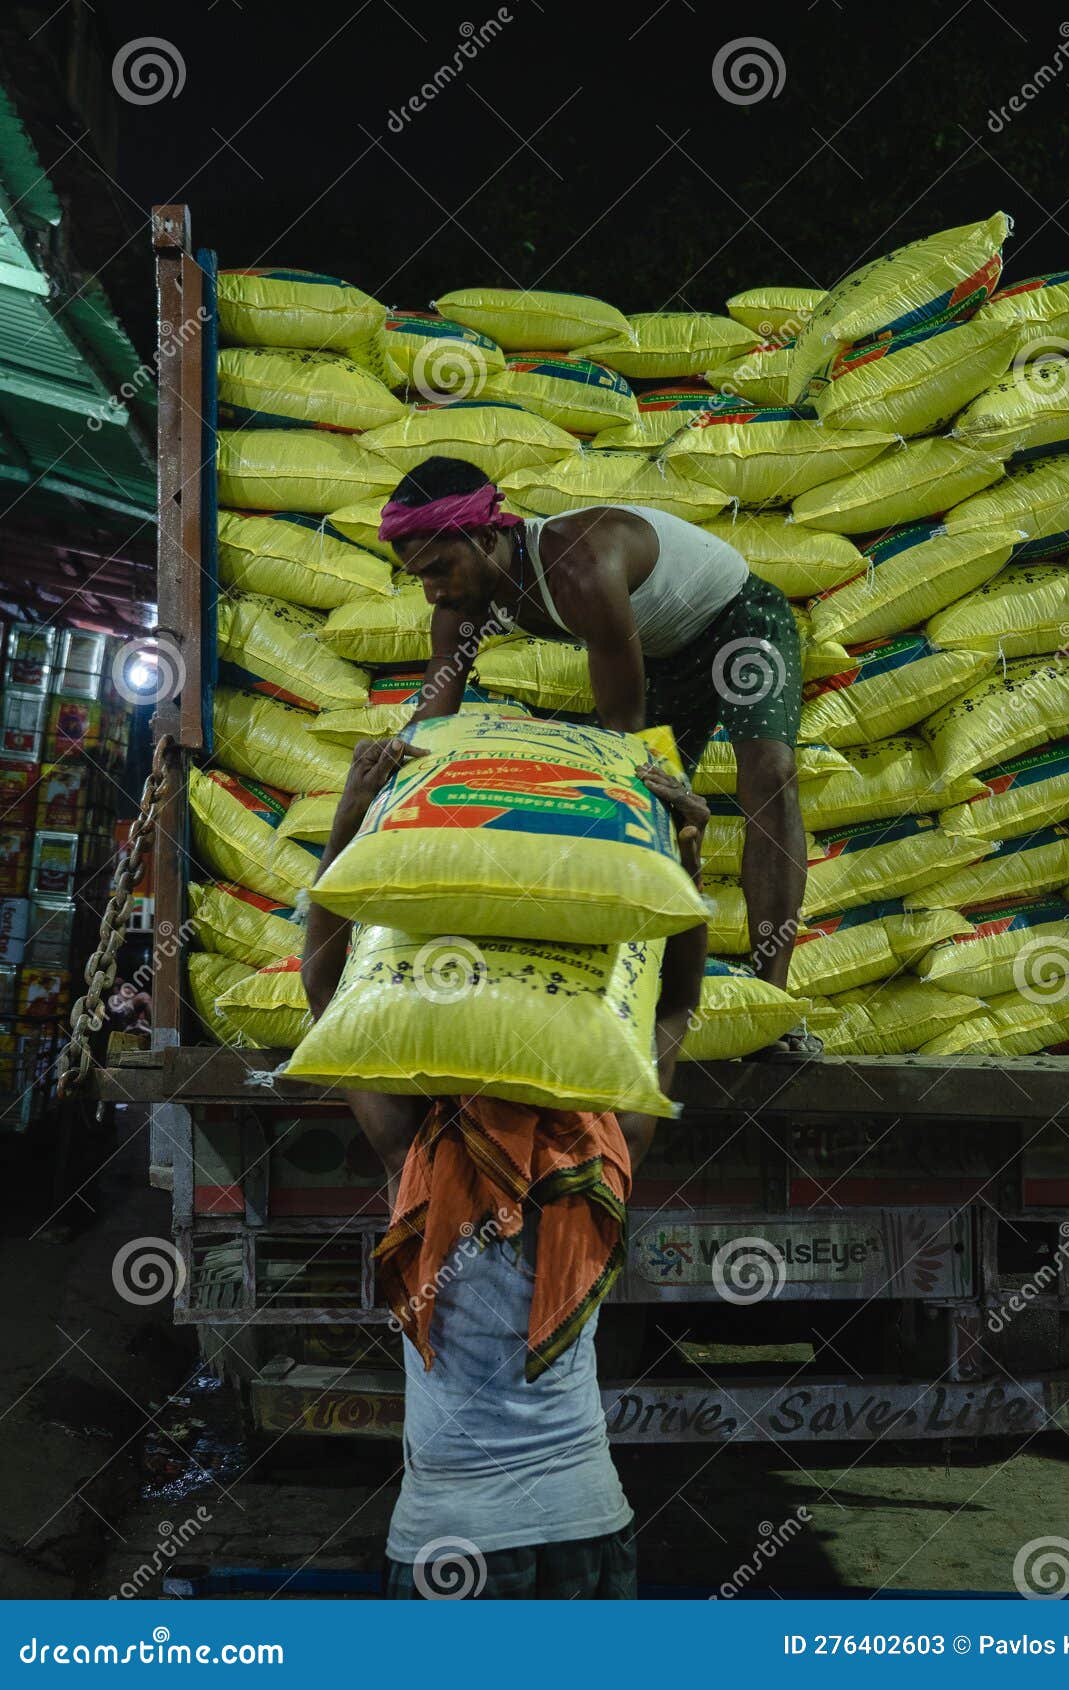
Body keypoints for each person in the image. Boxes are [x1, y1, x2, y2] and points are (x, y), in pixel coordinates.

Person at [300, 736, 709, 1601]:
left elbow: (328, 993)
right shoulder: (608, 1145)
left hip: (451, 1540)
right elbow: (675, 1004)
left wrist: (351, 816)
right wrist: (684, 858)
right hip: (589, 1523)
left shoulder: (417, 1153)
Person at [379, 455, 806, 1001]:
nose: (432, 592)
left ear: (487, 536)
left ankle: (772, 991)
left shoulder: (579, 566)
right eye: (419, 577)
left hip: (736, 623)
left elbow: (621, 733)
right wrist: (387, 776)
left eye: (439, 568)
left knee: (769, 774)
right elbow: (432, 719)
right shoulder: (462, 599)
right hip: (659, 657)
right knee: (644, 812)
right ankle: (637, 991)